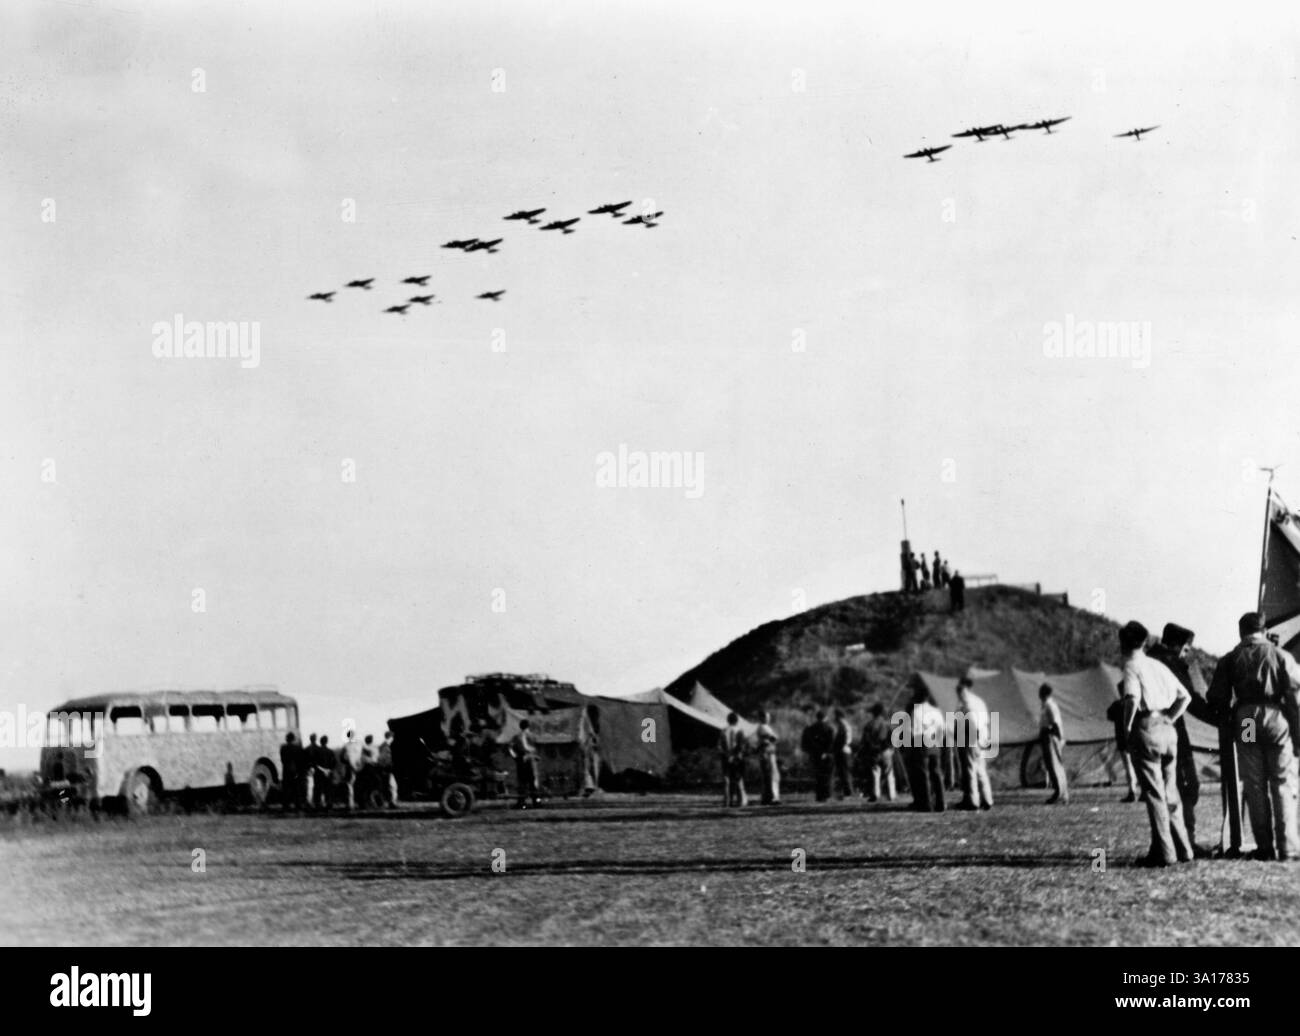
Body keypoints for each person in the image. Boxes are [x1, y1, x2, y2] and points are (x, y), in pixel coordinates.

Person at [1207, 611, 1300, 861]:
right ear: (1263, 629)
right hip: (1275, 716)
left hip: (1247, 718)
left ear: (1241, 631)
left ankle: (1265, 846)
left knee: (1254, 783)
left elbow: (1216, 696)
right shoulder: (1280, 655)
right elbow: (1295, 695)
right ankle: (1288, 847)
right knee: (1282, 782)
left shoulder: (1231, 657)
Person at [1119, 620, 1194, 867]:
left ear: (1122, 643)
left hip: (1145, 727)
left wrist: (1127, 727)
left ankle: (1164, 852)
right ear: (1145, 641)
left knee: (1154, 793)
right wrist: (1169, 719)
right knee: (1171, 792)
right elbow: (1185, 697)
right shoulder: (1157, 665)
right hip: (1167, 729)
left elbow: (1131, 697)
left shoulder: (1130, 665)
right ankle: (1184, 849)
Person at [1147, 622, 1213, 855]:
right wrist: (1220, 718)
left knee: (1162, 790)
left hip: (1148, 730)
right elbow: (1191, 700)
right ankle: (1187, 841)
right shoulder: (1171, 663)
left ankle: (1167, 844)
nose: (1186, 654)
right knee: (1187, 785)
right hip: (1172, 730)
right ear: (1176, 645)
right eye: (1185, 649)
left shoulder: (1148, 660)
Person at [954, 677, 993, 811]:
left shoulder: (966, 702)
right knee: (981, 769)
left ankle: (973, 801)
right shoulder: (979, 701)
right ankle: (987, 799)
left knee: (970, 769)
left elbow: (971, 721)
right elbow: (986, 721)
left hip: (970, 737)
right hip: (981, 736)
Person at [906, 686, 946, 812]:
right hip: (935, 742)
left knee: (924, 775)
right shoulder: (936, 711)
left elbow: (912, 732)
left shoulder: (916, 711)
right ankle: (941, 803)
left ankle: (927, 804)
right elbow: (943, 730)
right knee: (937, 774)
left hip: (921, 743)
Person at [1106, 687, 1141, 803]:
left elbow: (1109, 717)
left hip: (1122, 738)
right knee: (1140, 765)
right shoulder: (1138, 703)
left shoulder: (1116, 705)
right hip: (1136, 737)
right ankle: (1145, 791)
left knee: (1128, 766)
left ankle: (1132, 791)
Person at [1038, 683, 1068, 804]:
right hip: (1046, 735)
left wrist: (1060, 739)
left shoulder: (1050, 705)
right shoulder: (1045, 705)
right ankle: (1059, 792)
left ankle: (1060, 792)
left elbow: (1056, 723)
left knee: (1055, 765)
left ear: (1043, 693)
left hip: (1050, 736)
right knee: (1050, 765)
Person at [860, 703, 896, 802]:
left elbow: (864, 740)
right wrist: (892, 749)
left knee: (875, 773)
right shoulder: (887, 724)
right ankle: (891, 795)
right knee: (889, 773)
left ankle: (875, 794)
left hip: (873, 752)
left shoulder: (869, 725)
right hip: (886, 751)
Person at [801, 710, 836, 802]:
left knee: (818, 776)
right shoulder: (829, 728)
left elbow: (805, 744)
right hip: (827, 755)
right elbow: (831, 743)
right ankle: (827, 794)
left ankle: (819, 795)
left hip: (814, 755)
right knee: (828, 776)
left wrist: (811, 752)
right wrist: (826, 752)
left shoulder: (810, 729)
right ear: (826, 718)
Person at [510, 719, 542, 809]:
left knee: (522, 782)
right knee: (533, 781)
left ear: (520, 726)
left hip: (522, 759)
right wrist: (536, 756)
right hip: (531, 759)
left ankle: (522, 803)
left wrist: (515, 757)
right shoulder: (532, 736)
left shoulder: (517, 736)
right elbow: (537, 747)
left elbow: (510, 748)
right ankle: (536, 801)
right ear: (528, 726)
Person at [719, 712, 748, 807]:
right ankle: (741, 801)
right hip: (736, 758)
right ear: (737, 721)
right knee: (738, 779)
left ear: (728, 720)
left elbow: (719, 746)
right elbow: (741, 746)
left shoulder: (723, 731)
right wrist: (735, 755)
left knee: (727, 779)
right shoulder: (740, 731)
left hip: (726, 758)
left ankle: (727, 801)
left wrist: (726, 755)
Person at [755, 710, 781, 805]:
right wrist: (773, 738)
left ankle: (768, 797)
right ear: (761, 718)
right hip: (767, 753)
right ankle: (772, 797)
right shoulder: (762, 727)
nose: (768, 718)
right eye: (766, 717)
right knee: (770, 775)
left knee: (770, 776)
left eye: (768, 717)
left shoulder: (766, 727)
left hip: (769, 752)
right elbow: (773, 738)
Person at [832, 708, 855, 798]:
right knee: (843, 773)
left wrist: (839, 747)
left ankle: (848, 792)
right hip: (844, 751)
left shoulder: (843, 725)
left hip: (843, 751)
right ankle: (847, 791)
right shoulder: (843, 725)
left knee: (845, 772)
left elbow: (846, 739)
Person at [279, 732, 305, 811]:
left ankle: (286, 805)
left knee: (286, 789)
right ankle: (298, 805)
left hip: (286, 770)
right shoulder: (297, 748)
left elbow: (282, 759)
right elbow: (300, 760)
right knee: (296, 788)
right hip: (295, 771)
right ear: (293, 739)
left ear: (287, 739)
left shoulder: (283, 748)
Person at [340, 729, 363, 811]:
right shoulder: (360, 744)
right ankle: (361, 803)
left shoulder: (346, 746)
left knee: (349, 786)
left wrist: (346, 762)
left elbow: (342, 758)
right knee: (359, 785)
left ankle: (350, 804)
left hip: (350, 767)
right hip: (359, 766)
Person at [376, 730, 398, 806]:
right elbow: (386, 758)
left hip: (382, 768)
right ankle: (392, 802)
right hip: (387, 768)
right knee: (392, 786)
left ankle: (382, 802)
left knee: (384, 786)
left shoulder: (381, 746)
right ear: (390, 737)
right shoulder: (387, 746)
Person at [315, 735, 334, 810]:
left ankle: (319, 805)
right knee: (328, 789)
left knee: (319, 789)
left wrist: (322, 770)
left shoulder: (317, 751)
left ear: (320, 742)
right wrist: (328, 770)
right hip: (328, 773)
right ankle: (329, 804)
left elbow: (315, 763)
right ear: (327, 742)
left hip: (319, 773)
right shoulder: (330, 751)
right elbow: (333, 763)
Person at [303, 733, 320, 809]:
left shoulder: (306, 749)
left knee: (309, 787)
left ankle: (309, 802)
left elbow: (303, 761)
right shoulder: (318, 749)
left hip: (308, 769)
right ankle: (318, 803)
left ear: (310, 739)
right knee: (318, 786)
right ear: (315, 739)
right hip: (318, 769)